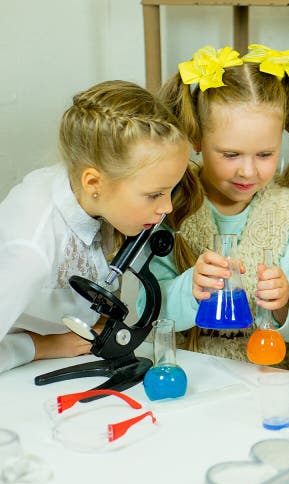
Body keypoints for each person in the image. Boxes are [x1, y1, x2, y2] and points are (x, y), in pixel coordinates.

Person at [148, 44, 289, 367]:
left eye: (265, 155)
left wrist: (286, 302)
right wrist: (188, 288)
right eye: (230, 155)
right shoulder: (168, 203)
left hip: (265, 374)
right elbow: (145, 309)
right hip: (188, 369)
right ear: (196, 140)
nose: (248, 171)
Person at [0, 80, 190, 374]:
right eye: (154, 195)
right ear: (93, 183)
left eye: (171, 190)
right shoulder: (30, 251)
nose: (167, 207)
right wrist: (39, 346)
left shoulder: (97, 190)